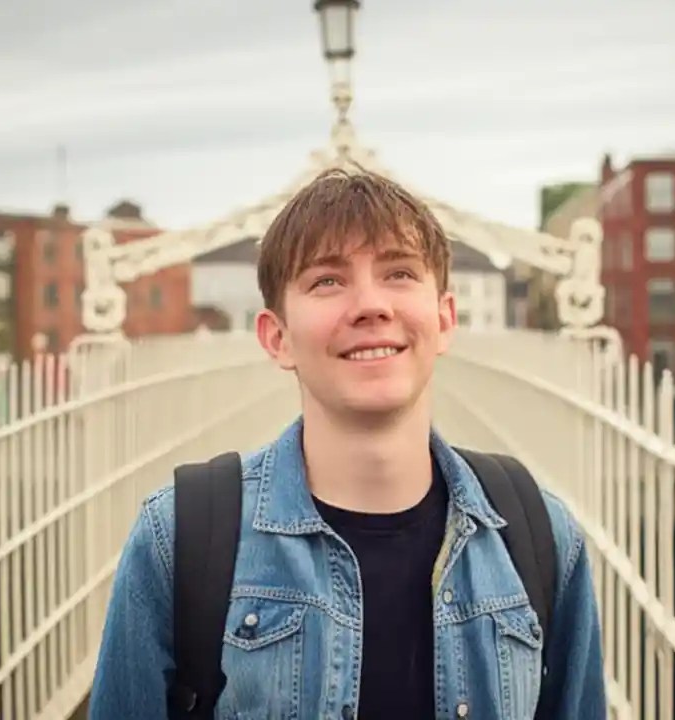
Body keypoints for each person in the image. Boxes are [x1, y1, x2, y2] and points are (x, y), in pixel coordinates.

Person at [88, 168, 607, 719]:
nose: (370, 305)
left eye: (400, 272)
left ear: (445, 319)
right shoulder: (178, 541)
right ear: (277, 337)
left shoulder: (542, 539)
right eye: (328, 281)